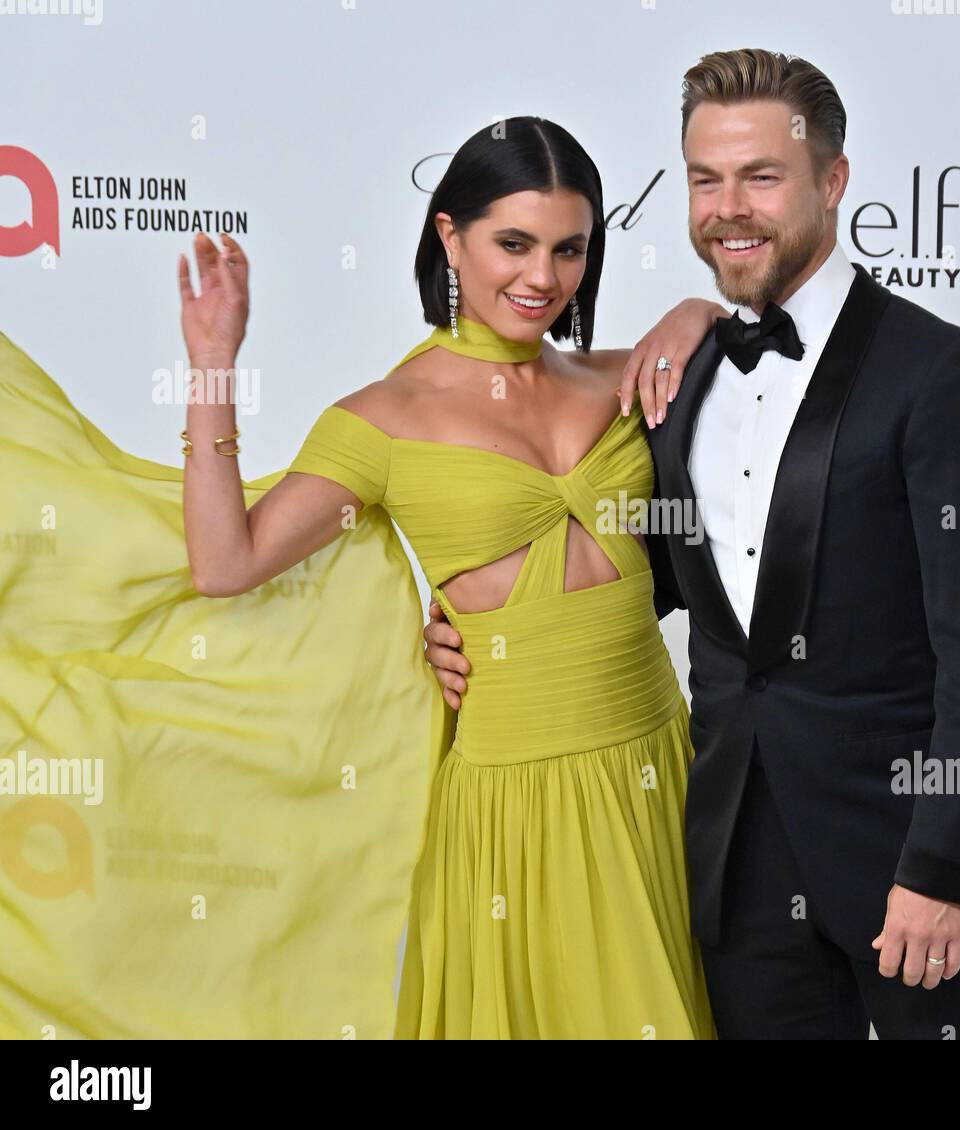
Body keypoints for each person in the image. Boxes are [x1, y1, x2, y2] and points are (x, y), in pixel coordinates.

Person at [0, 116, 724, 1039]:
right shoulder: (384, 417)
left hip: (662, 765)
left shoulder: (628, 374)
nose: (542, 277)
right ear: (448, 235)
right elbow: (227, 563)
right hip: (515, 801)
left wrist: (697, 311)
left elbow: (760, 356)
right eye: (513, 243)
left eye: (568, 249)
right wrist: (214, 366)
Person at [427, 50, 960, 1040]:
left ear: (831, 180)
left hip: (903, 862)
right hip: (731, 866)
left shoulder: (940, 372)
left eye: (760, 176)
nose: (729, 208)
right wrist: (470, 620)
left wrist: (944, 864)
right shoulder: (681, 373)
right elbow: (650, 579)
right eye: (705, 179)